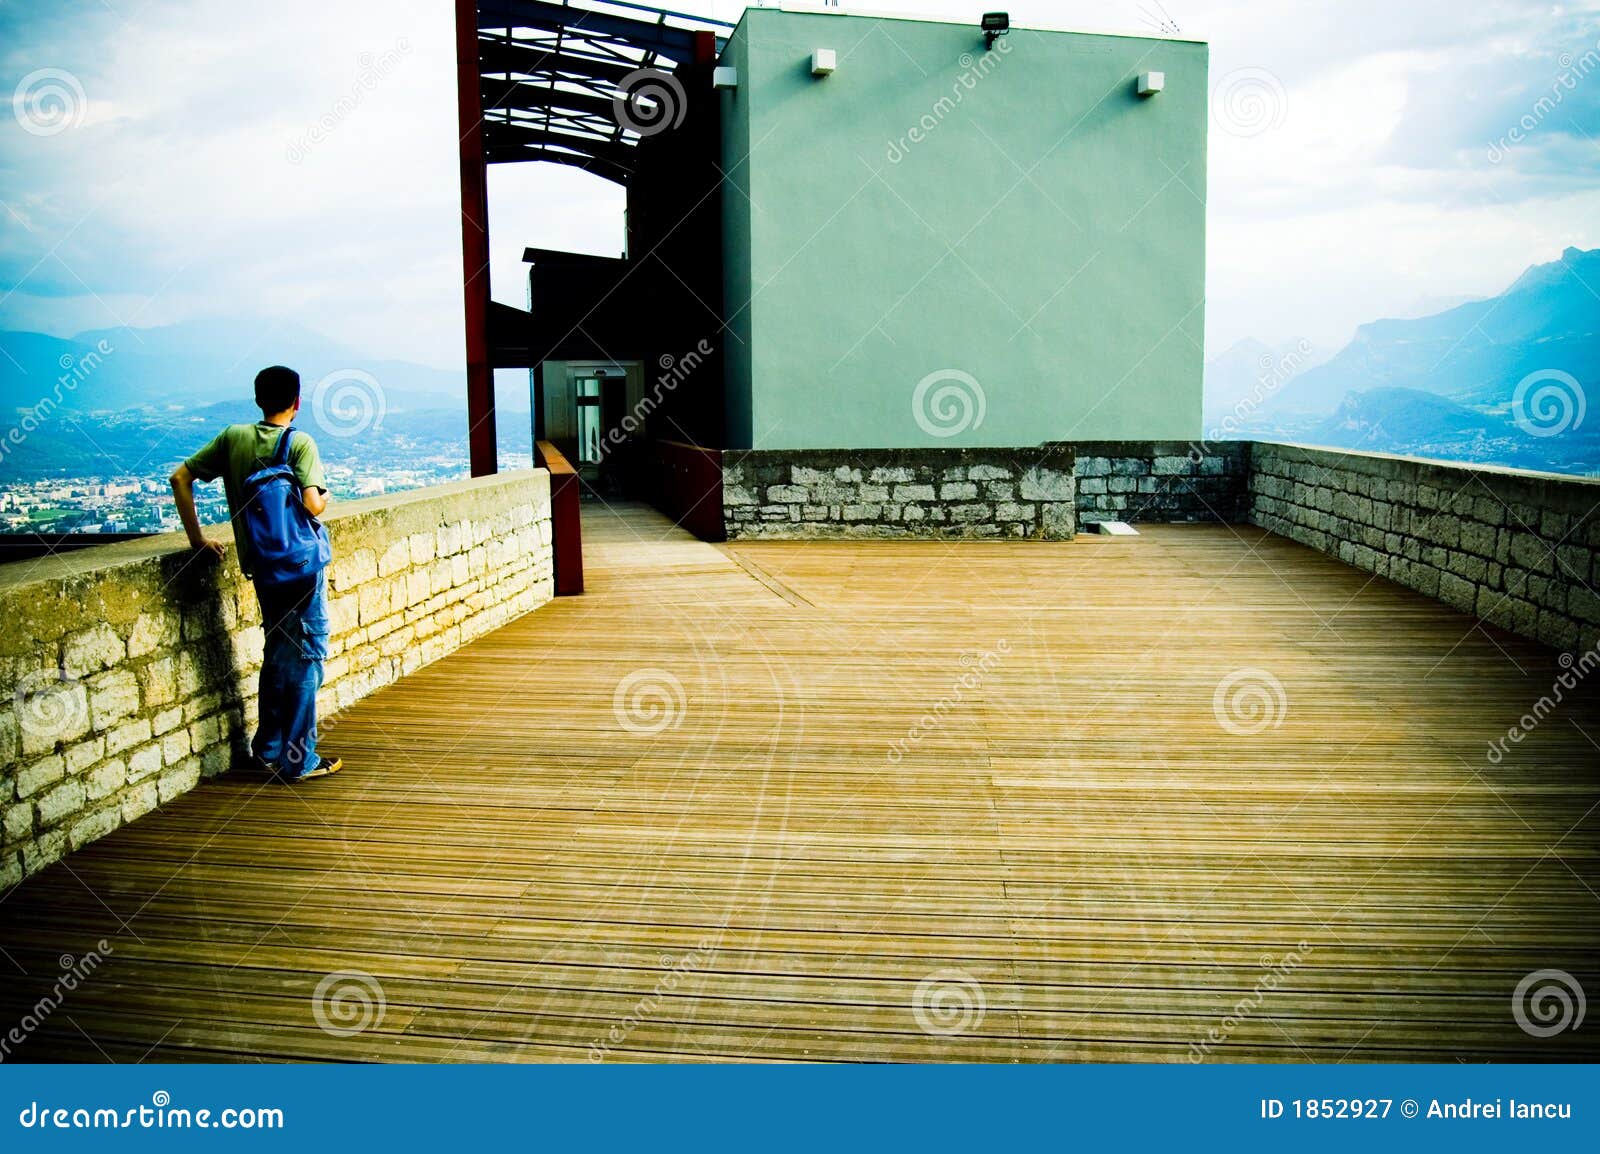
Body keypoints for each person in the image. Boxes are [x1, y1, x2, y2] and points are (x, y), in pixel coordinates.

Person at [169, 365, 343, 783]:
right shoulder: (299, 442)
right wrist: (324, 493)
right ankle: (300, 760)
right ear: (297, 402)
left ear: (258, 399)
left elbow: (180, 478)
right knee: (306, 659)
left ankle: (267, 749)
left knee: (278, 654)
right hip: (302, 568)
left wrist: (197, 540)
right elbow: (313, 506)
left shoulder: (233, 438)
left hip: (263, 568)